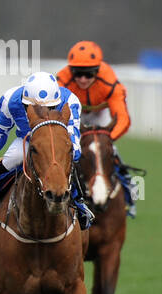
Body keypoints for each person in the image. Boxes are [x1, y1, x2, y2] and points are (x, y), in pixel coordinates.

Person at [0, 71, 93, 228]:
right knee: (9, 162)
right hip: (28, 140)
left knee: (72, 164)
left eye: (50, 108)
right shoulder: (11, 99)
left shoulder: (69, 101)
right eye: (34, 108)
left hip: (58, 143)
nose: (43, 113)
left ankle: (79, 204)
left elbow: (73, 139)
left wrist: (68, 153)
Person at [56, 41, 138, 217]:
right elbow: (55, 112)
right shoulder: (62, 80)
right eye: (77, 73)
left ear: (98, 70)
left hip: (100, 115)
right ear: (70, 71)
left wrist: (107, 140)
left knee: (107, 151)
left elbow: (123, 119)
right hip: (74, 113)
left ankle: (129, 192)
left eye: (89, 73)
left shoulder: (109, 81)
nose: (83, 79)